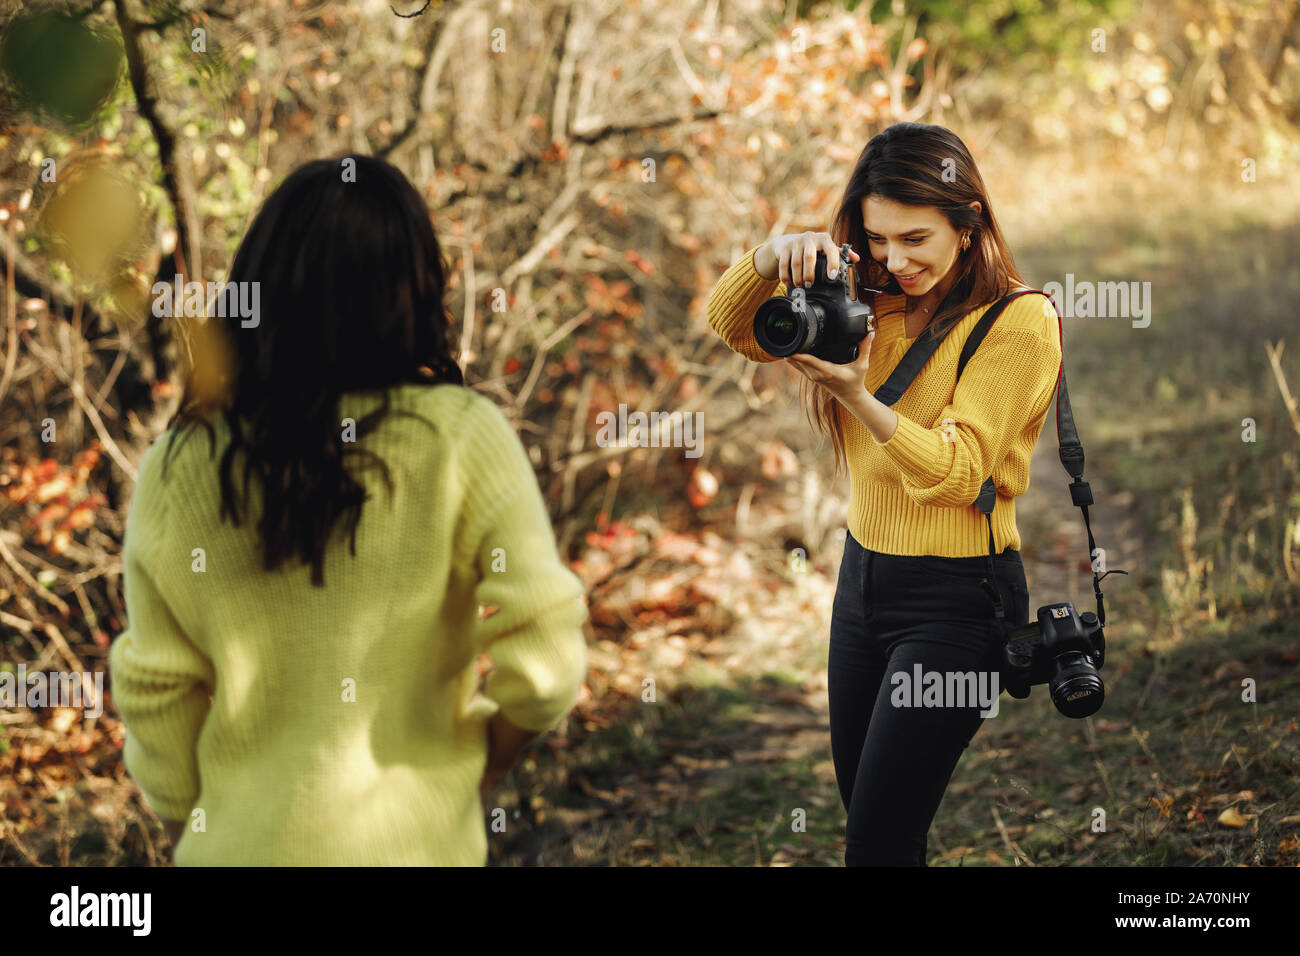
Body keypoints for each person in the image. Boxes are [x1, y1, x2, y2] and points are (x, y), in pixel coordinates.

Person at [109, 155, 589, 865]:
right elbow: (547, 660)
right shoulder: (459, 437)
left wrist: (197, 826)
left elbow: (156, 689)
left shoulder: (177, 461)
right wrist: (484, 761)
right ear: (416, 289)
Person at [705, 122, 1062, 866]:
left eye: (915, 239)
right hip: (862, 584)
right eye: (877, 239)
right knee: (875, 824)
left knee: (877, 839)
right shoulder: (867, 299)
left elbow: (961, 471)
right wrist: (774, 257)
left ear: (968, 226)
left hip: (960, 602)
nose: (894, 261)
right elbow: (734, 328)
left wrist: (858, 397)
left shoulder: (1019, 322)